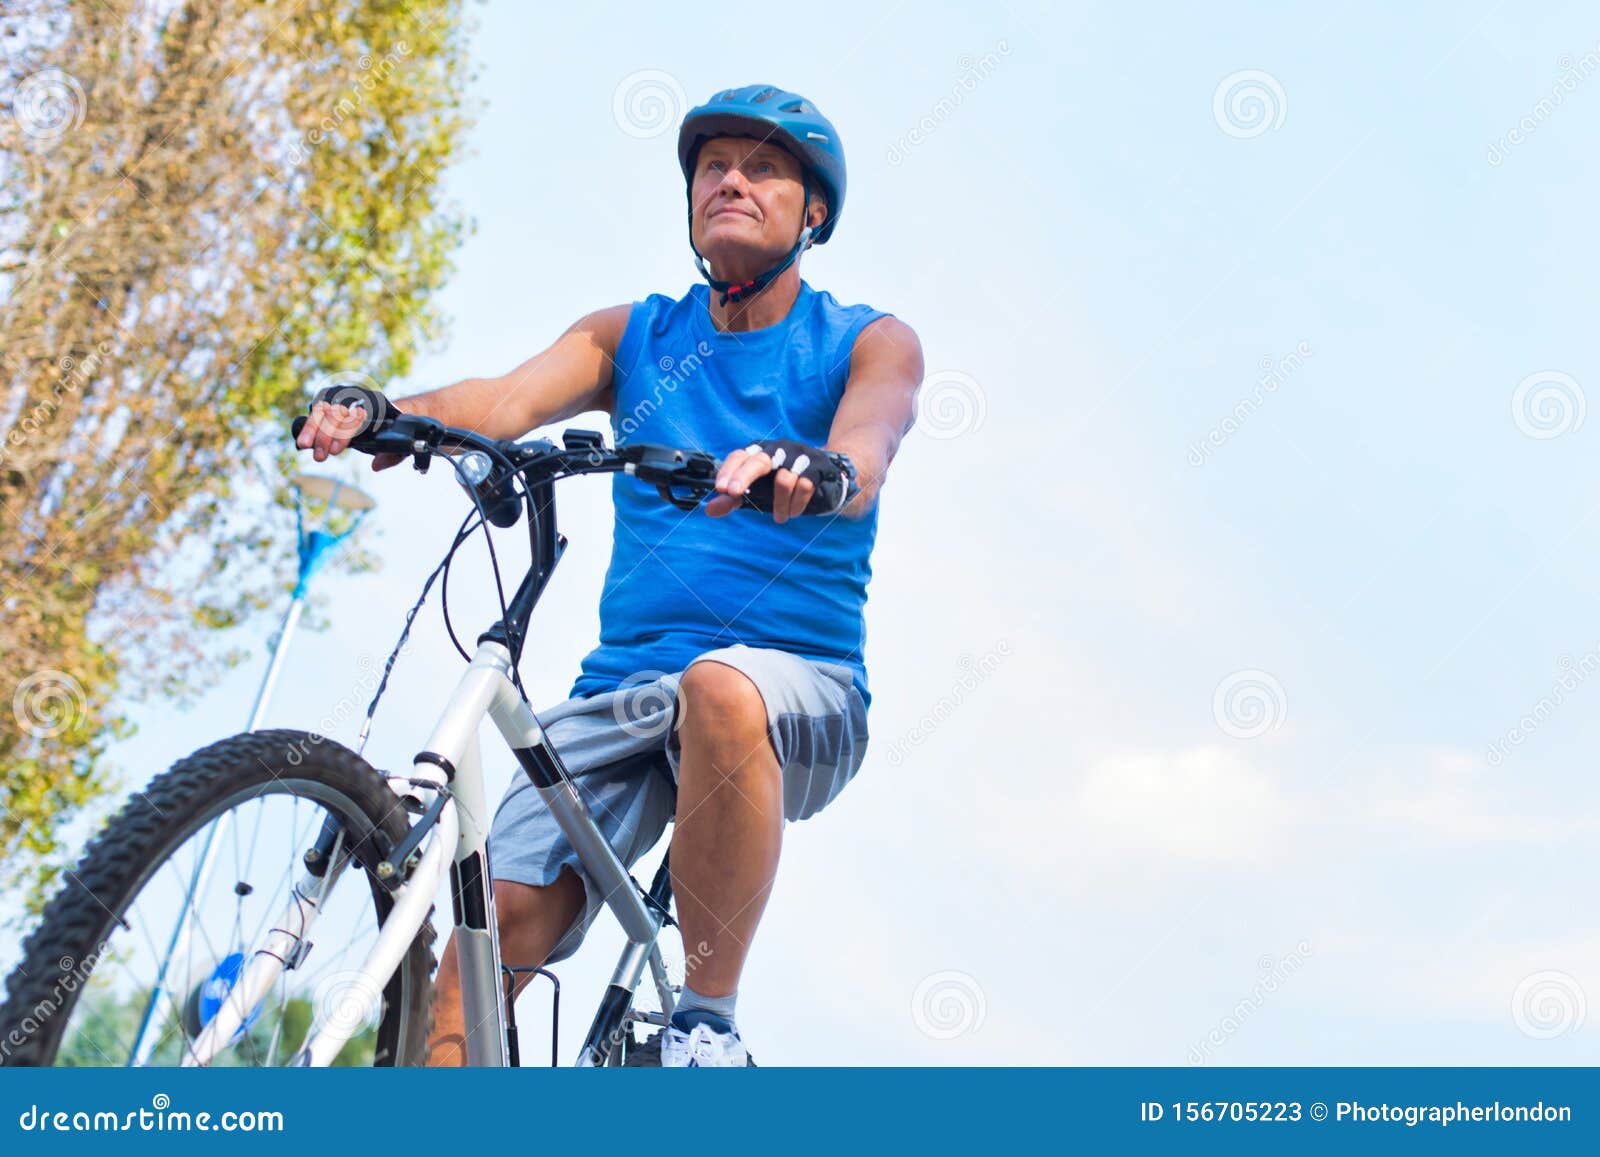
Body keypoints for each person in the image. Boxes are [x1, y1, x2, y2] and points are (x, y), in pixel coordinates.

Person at [295, 84, 923, 1066]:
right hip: (625, 684)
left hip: (800, 684)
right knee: (484, 930)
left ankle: (705, 1023)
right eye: (712, 165)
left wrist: (821, 467)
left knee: (722, 686)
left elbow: (871, 440)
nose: (730, 180)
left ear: (813, 215)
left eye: (763, 168)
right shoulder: (633, 334)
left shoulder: (862, 339)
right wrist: (388, 409)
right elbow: (500, 399)